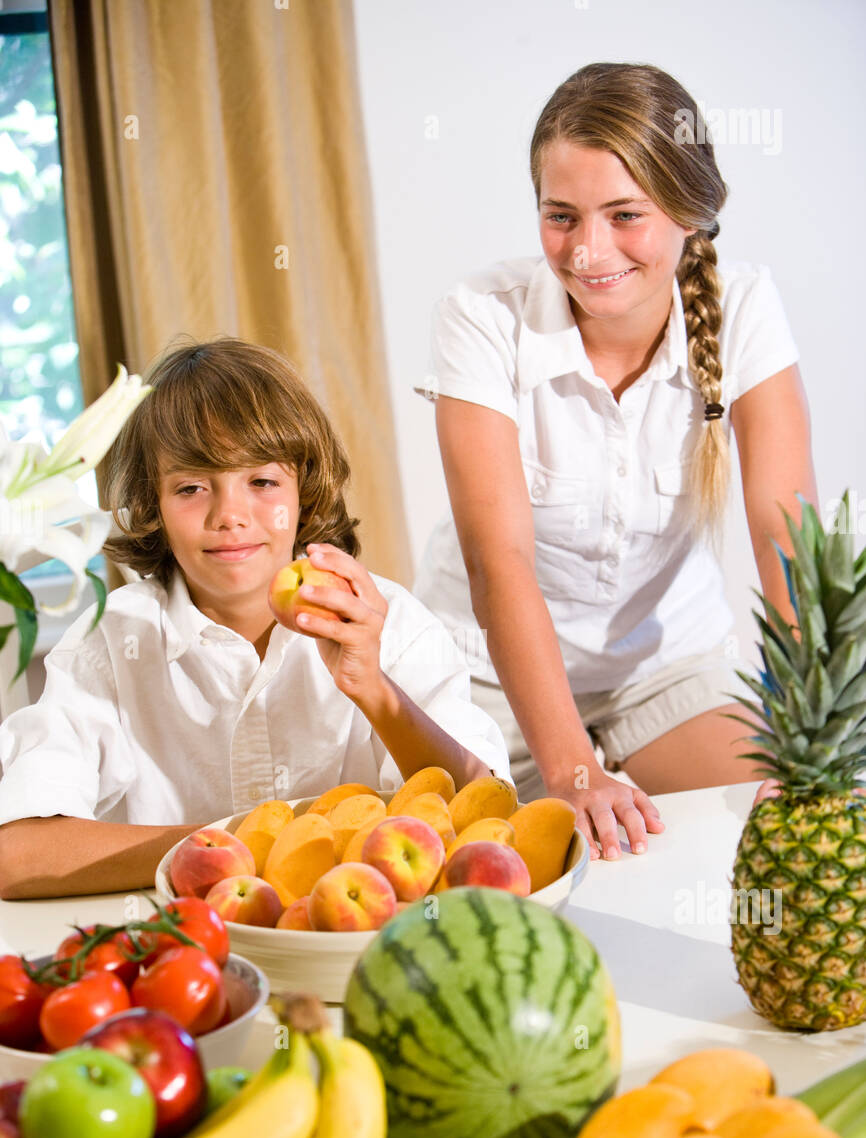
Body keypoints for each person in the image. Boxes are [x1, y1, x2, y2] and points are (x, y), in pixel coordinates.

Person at [413, 61, 819, 863]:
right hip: (487, 680)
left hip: (666, 671)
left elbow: (785, 531)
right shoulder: (481, 319)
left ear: (690, 212)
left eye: (624, 215)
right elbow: (501, 563)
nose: (590, 251)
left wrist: (811, 738)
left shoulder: (744, 308)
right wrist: (574, 771)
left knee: (777, 830)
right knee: (498, 868)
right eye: (561, 216)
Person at [0, 339, 511, 899]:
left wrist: (372, 687)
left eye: (262, 483)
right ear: (154, 506)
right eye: (191, 488)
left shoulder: (389, 621)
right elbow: (18, 855)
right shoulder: (110, 641)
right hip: (184, 952)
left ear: (304, 491)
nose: (229, 517)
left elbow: (484, 813)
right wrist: (244, 845)